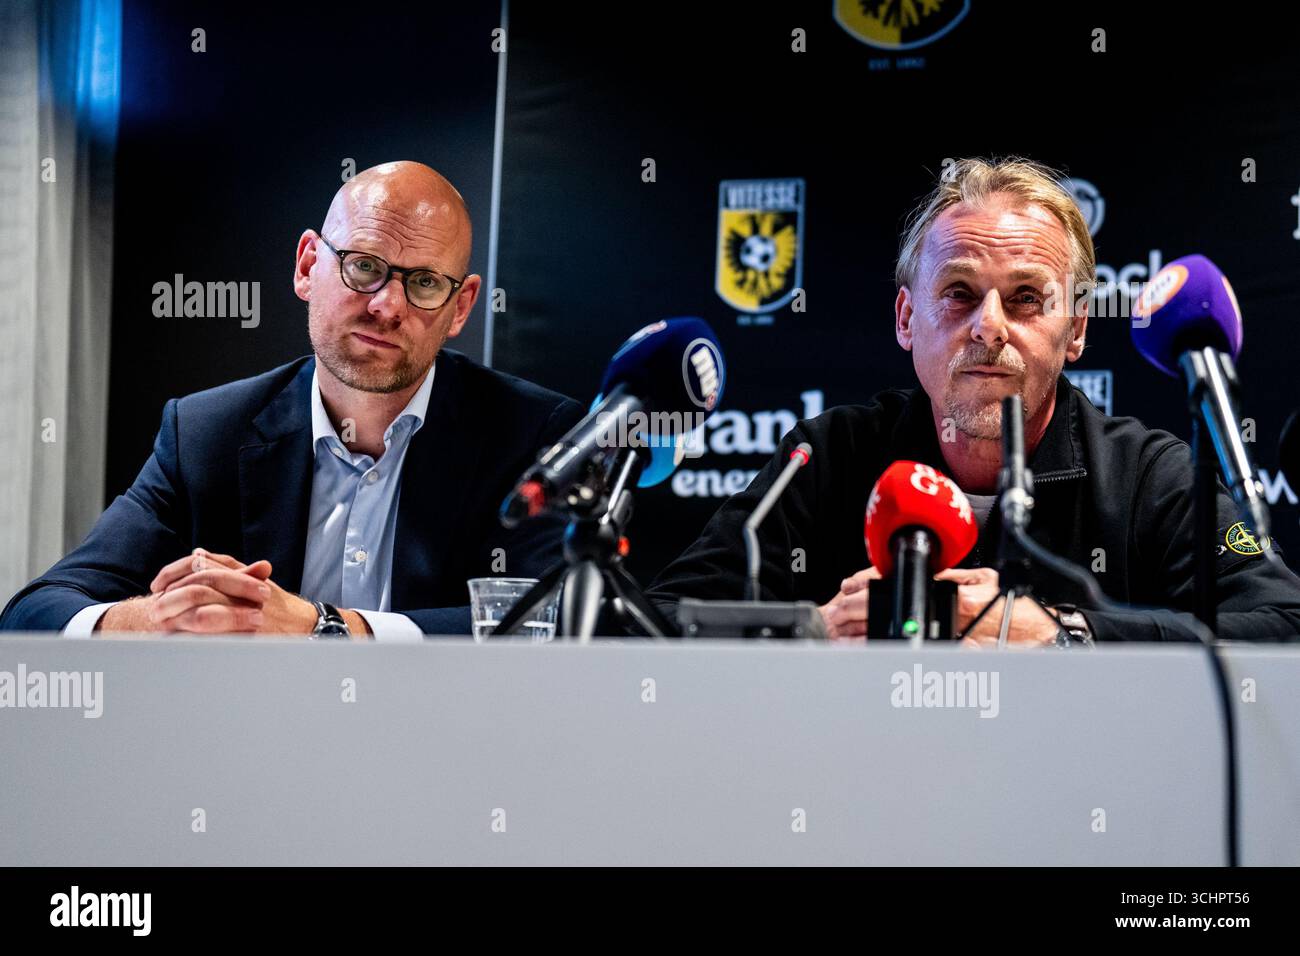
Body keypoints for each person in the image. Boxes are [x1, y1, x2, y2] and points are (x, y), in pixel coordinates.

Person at [648, 157, 1300, 644]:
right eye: (959, 293)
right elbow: (649, 619)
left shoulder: (1150, 479)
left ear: (1075, 329)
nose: (988, 326)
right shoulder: (823, 459)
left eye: (1024, 298)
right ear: (907, 319)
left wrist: (1065, 635)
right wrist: (808, 629)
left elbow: (1283, 623)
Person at [0, 161, 583, 639]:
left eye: (425, 282)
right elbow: (34, 612)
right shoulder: (205, 433)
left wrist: (325, 627)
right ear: (308, 266)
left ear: (460, 306)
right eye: (364, 267)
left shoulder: (536, 436)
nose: (387, 306)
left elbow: (553, 623)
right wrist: (157, 617)